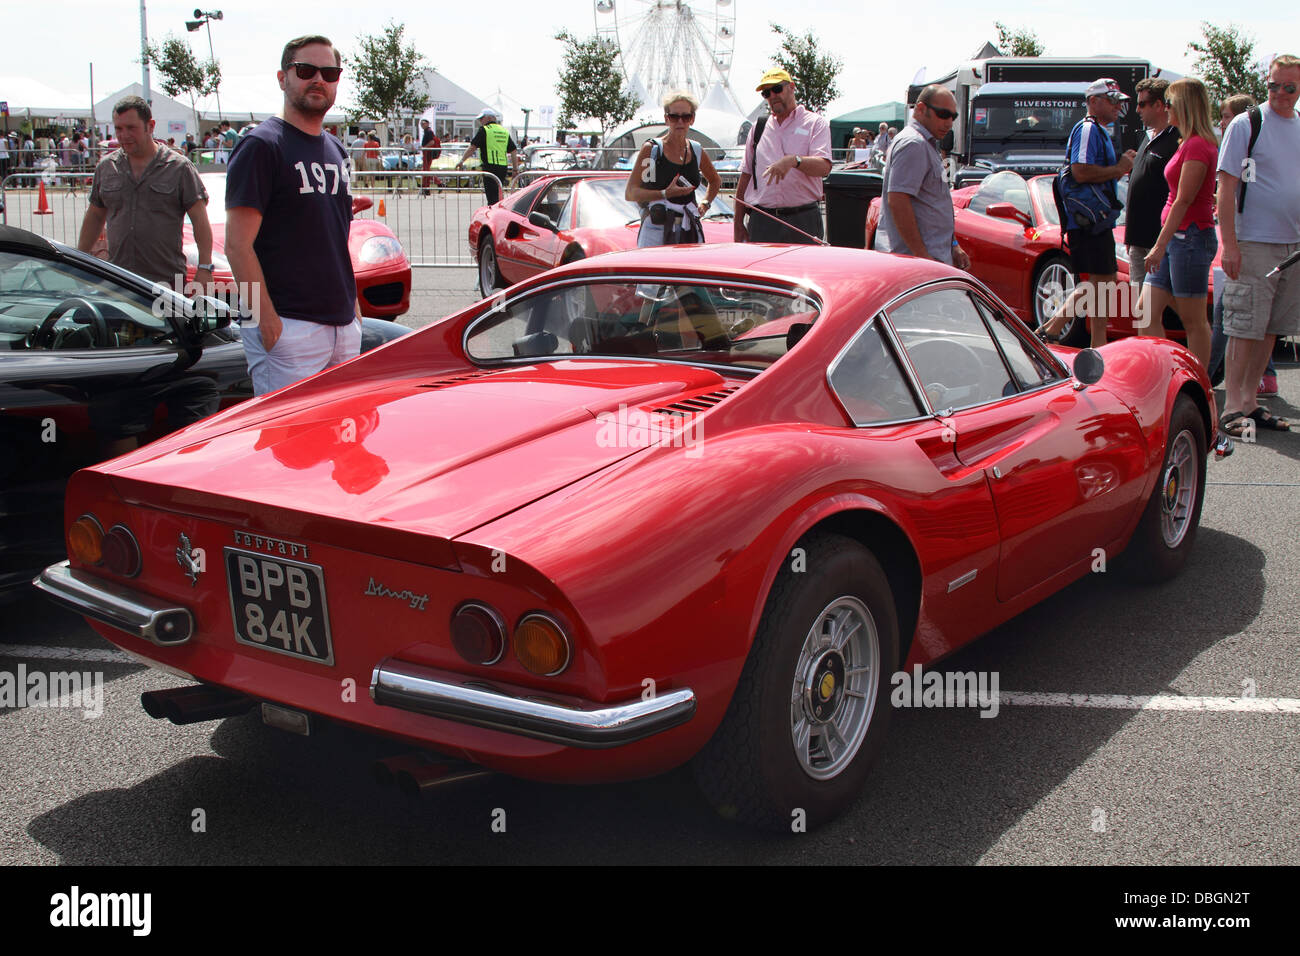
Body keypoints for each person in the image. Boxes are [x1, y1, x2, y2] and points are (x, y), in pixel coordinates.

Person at [225, 34, 361, 396]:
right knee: (285, 446)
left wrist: (355, 308)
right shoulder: (262, 146)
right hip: (288, 327)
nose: (319, 79)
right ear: (283, 78)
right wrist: (266, 320)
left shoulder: (336, 150)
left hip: (342, 327)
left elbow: (335, 237)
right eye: (306, 70)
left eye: (329, 72)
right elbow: (238, 246)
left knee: (337, 441)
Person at [1215, 54, 1300, 436]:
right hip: (1253, 243)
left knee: (1271, 327)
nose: (1279, 93)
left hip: (1292, 245)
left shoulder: (1299, 126)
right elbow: (1226, 186)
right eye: (1273, 85)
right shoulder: (1247, 123)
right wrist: (1230, 246)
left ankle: (1251, 401)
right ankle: (1232, 407)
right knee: (1244, 324)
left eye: (1289, 87)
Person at [76, 95, 213, 289]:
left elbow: (200, 220)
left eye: (131, 128)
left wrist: (205, 267)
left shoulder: (179, 168)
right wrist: (80, 259)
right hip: (119, 281)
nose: (124, 135)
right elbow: (95, 216)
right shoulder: (107, 167)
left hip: (167, 283)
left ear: (150, 126)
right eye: (119, 129)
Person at [1039, 78, 1137, 347]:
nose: (1118, 107)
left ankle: (1087, 338)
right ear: (1093, 101)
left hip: (1096, 220)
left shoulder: (1098, 130)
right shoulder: (1087, 129)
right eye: (1112, 100)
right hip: (1088, 219)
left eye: (1119, 101)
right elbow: (1080, 171)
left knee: (1103, 280)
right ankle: (1059, 329)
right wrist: (1120, 168)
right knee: (1102, 280)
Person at [1136, 78, 1218, 368]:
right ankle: (1166, 372)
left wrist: (1158, 246)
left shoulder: (1198, 146)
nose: (1166, 108)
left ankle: (1199, 383)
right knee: (1146, 311)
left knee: (1193, 319)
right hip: (1177, 238)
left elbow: (1183, 201)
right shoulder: (1187, 143)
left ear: (1184, 106)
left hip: (1191, 238)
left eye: (1169, 103)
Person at [1207, 93, 1277, 393]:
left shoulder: (1246, 142)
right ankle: (1266, 378)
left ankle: (1207, 380)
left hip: (1251, 243)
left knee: (1231, 316)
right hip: (1246, 242)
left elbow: (1235, 191)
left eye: (1224, 116)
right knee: (1253, 316)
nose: (1221, 123)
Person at [734, 68, 832, 244]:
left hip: (803, 220)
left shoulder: (815, 123)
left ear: (792, 87)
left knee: (804, 271)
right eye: (766, 93)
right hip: (763, 221)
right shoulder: (758, 128)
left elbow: (824, 167)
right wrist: (738, 224)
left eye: (777, 89)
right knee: (760, 272)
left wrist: (794, 161)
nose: (772, 95)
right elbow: (746, 176)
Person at [876, 84, 970, 268]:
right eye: (943, 114)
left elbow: (933, 202)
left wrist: (953, 245)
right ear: (920, 109)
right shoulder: (913, 144)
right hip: (916, 265)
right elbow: (898, 200)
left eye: (953, 116)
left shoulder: (925, 143)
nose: (949, 122)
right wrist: (922, 256)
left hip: (927, 260)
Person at [625, 91, 721, 246]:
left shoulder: (696, 150)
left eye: (686, 117)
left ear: (692, 119)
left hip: (688, 230)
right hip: (656, 229)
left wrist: (705, 204)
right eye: (674, 117)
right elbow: (631, 193)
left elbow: (715, 181)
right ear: (666, 119)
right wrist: (664, 193)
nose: (680, 122)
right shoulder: (652, 150)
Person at [1124, 77, 1178, 289]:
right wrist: (1130, 234)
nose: (1137, 110)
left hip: (1160, 242)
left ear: (1159, 105)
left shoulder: (1176, 139)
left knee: (1159, 308)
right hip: (1138, 240)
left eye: (1142, 104)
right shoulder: (1147, 137)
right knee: (1141, 310)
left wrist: (1162, 243)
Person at [458, 108, 516, 205]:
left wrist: (462, 160)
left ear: (489, 118)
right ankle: (499, 213)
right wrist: (515, 169)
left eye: (482, 118)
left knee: (492, 196)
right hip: (502, 167)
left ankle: (494, 215)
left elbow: (472, 147)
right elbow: (513, 150)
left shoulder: (485, 130)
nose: (480, 121)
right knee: (499, 194)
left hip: (490, 166)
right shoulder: (504, 131)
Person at [419, 117, 442, 195]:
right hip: (426, 153)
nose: (422, 125)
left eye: (424, 123)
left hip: (428, 153)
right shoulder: (426, 131)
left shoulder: (429, 132)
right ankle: (427, 187)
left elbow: (432, 142)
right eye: (421, 123)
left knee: (426, 171)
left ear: (427, 124)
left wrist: (424, 148)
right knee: (426, 171)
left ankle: (434, 184)